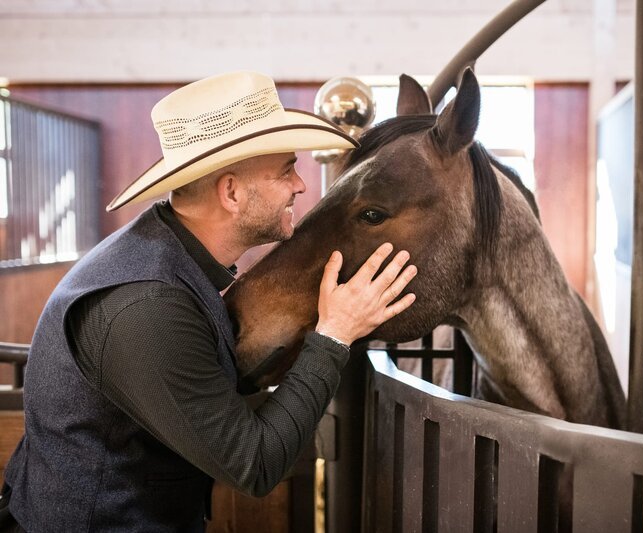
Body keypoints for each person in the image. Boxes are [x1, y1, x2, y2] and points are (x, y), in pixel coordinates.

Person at [0, 71, 417, 532]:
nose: (300, 186)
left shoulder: (165, 253)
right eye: (285, 171)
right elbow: (253, 465)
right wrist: (334, 334)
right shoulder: (146, 306)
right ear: (232, 192)